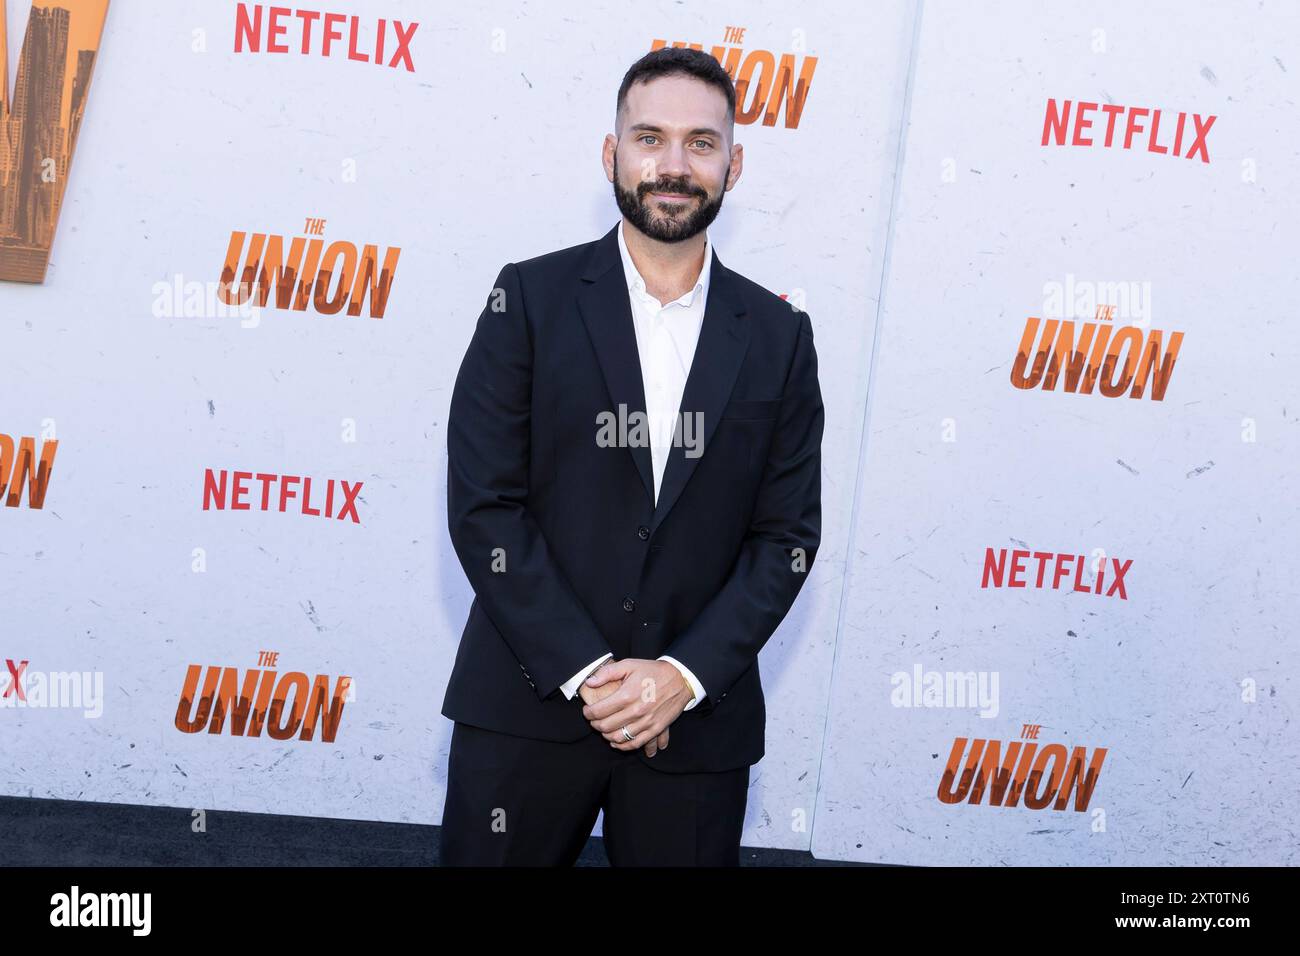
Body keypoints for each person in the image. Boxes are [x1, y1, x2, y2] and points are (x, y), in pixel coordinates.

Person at [439, 46, 823, 866]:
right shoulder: (527, 302)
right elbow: (484, 505)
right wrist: (591, 671)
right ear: (611, 155)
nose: (674, 166)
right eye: (649, 138)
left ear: (735, 163)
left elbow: (785, 538)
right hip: (526, 706)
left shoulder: (780, 337)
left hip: (693, 729)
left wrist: (679, 677)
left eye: (701, 143)